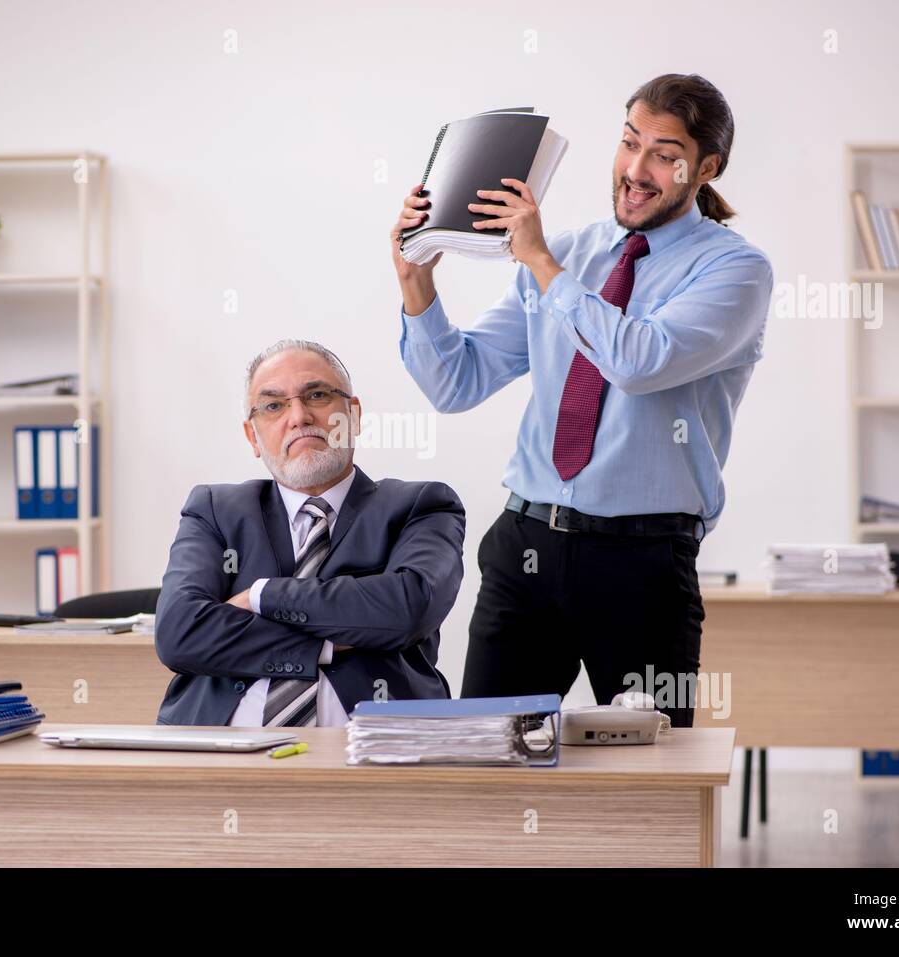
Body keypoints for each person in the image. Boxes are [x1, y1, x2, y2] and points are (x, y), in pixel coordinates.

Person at [390, 74, 773, 726]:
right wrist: (415, 283)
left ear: (706, 168)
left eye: (664, 152)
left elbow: (635, 360)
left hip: (644, 563)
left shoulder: (735, 271)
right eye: (629, 143)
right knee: (490, 754)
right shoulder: (570, 255)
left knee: (654, 778)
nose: (636, 168)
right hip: (526, 546)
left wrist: (541, 264)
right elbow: (458, 382)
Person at [155, 339, 465, 727]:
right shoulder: (216, 510)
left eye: (316, 395)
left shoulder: (420, 505)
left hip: (377, 755)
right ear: (253, 437)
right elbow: (179, 633)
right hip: (220, 756)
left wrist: (260, 595)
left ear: (353, 414)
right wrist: (331, 640)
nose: (298, 417)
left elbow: (409, 607)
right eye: (273, 405)